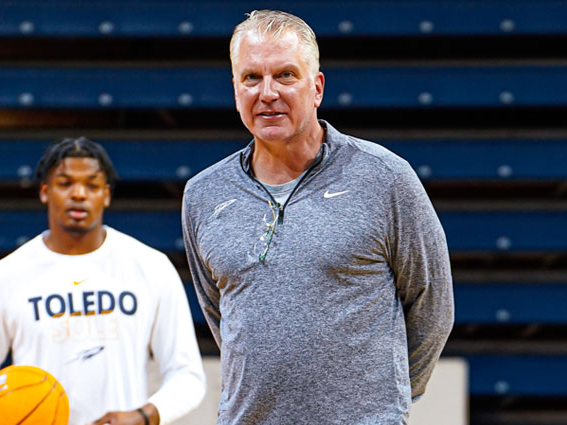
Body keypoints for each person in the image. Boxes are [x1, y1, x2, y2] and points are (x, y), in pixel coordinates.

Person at [181, 10, 454, 425]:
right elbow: (222, 317)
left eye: (285, 75)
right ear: (235, 90)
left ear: (317, 88)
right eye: (251, 78)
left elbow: (433, 306)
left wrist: (388, 403)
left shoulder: (384, 178)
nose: (267, 93)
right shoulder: (203, 194)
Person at [0, 137, 205, 425]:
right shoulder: (5, 276)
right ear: (45, 191)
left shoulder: (151, 267)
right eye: (65, 183)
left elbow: (188, 376)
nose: (79, 194)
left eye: (92, 185)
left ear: (106, 195)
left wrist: (143, 417)